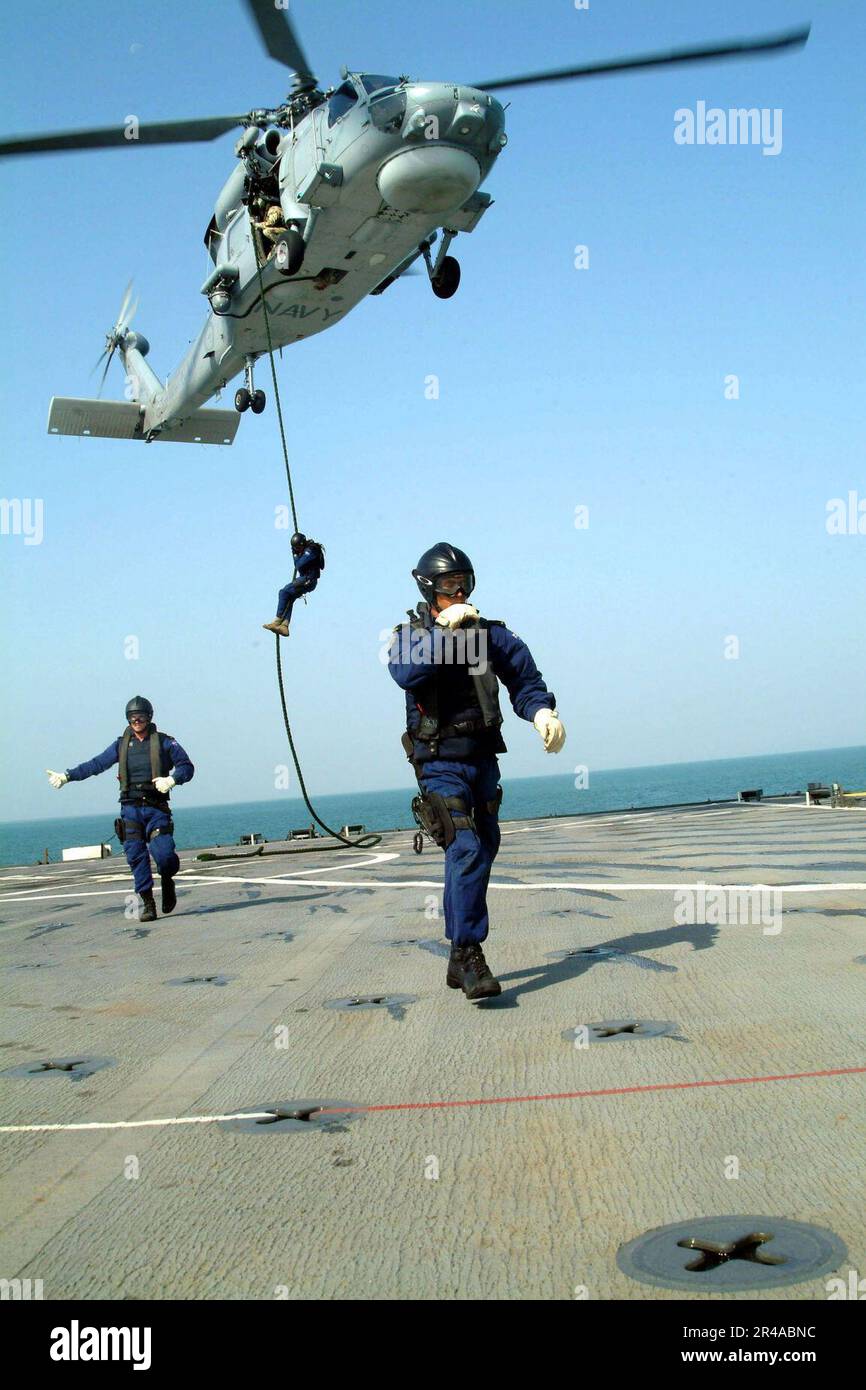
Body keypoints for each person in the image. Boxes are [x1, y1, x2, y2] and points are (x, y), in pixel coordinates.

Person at [387, 542, 565, 1000]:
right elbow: (406, 674)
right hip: (439, 762)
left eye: (465, 583)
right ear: (430, 589)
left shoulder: (491, 636)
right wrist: (443, 635)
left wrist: (542, 713)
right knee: (463, 847)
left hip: (482, 760)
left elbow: (525, 681)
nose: (460, 591)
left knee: (484, 848)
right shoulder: (410, 637)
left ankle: (456, 956)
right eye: (450, 585)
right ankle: (469, 954)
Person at [45, 696, 194, 922]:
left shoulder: (165, 742)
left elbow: (187, 767)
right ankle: (148, 903)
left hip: (156, 808)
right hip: (130, 809)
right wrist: (68, 776)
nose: (136, 720)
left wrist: (172, 780)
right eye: (132, 717)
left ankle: (167, 879)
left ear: (149, 717)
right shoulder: (121, 745)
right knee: (136, 857)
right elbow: (96, 764)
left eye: (141, 716)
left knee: (164, 855)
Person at [263, 532, 325, 636]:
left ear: (301, 544)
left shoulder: (311, 550)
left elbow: (299, 565)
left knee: (284, 592)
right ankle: (284, 626)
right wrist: (296, 554)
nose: (296, 549)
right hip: (305, 579)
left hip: (309, 580)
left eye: (297, 547)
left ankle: (277, 621)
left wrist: (295, 555)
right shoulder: (304, 550)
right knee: (289, 597)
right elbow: (299, 565)